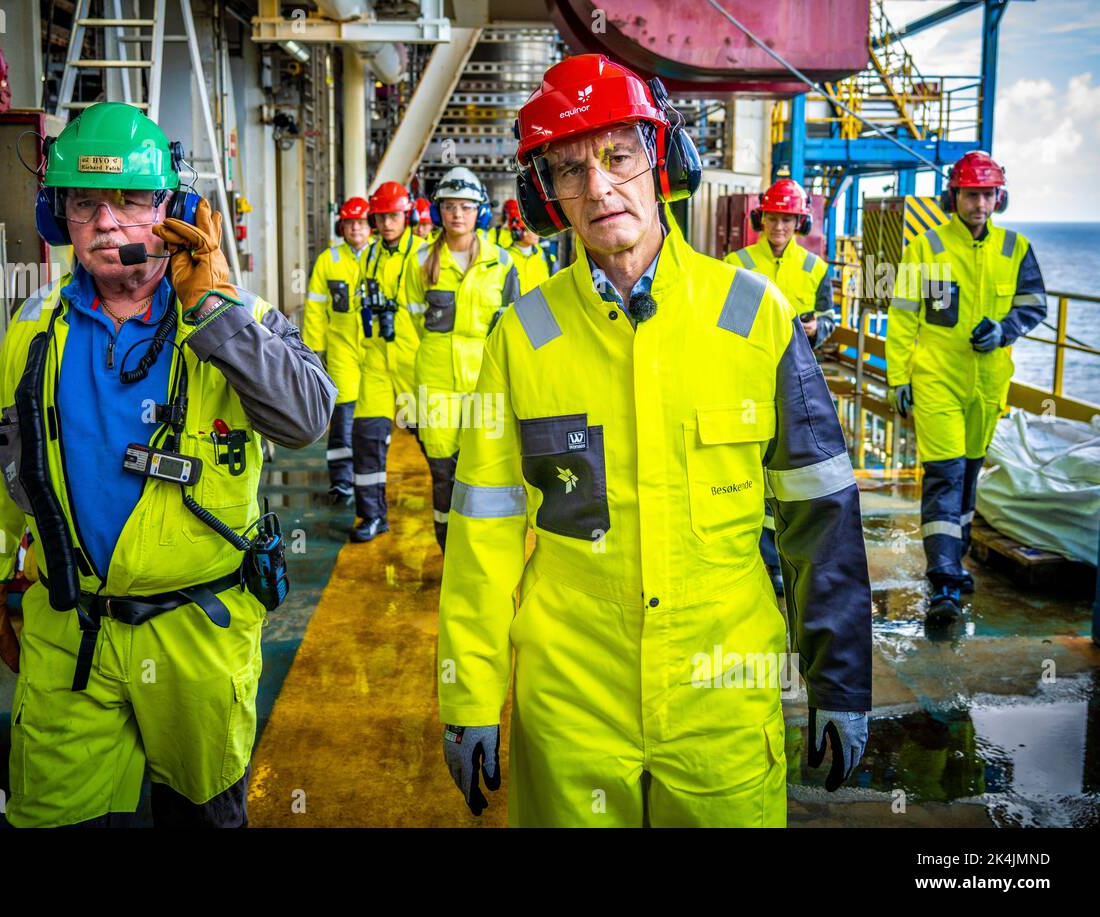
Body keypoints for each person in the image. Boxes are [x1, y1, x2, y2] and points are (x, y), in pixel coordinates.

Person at [437, 54, 872, 827]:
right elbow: (483, 531)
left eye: (618, 155)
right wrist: (468, 691)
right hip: (571, 708)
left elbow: (821, 513)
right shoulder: (521, 338)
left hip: (721, 707)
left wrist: (840, 680)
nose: (599, 188)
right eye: (569, 170)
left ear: (663, 157)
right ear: (548, 198)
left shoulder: (755, 315)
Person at [0, 102, 335, 827]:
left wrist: (213, 309)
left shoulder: (236, 314)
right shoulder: (34, 328)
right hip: (70, 633)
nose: (107, 222)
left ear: (174, 209)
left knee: (203, 818)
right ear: (59, 214)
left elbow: (306, 416)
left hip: (197, 638)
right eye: (85, 202)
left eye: (131, 200)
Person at [885, 150, 1046, 621]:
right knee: (945, 476)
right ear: (953, 197)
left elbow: (1033, 305)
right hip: (937, 380)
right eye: (971, 194)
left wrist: (1004, 329)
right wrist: (899, 378)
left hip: (989, 386)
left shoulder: (1016, 249)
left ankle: (956, 559)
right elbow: (903, 317)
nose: (979, 203)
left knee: (969, 478)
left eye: (988, 194)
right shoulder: (926, 249)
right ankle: (944, 583)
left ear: (1001, 198)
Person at [724, 178, 838, 594]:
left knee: (794, 468)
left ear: (799, 223)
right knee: (751, 467)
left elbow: (830, 316)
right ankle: (763, 559)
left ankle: (788, 554)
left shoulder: (816, 267)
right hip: (749, 382)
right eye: (773, 218)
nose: (779, 228)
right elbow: (725, 326)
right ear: (761, 219)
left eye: (787, 220)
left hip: (799, 385)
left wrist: (816, 327)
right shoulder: (735, 263)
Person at [405, 166, 520, 551]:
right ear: (438, 212)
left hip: (484, 383)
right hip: (435, 384)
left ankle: (481, 546)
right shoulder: (420, 260)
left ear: (480, 213)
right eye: (450, 206)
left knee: (485, 468)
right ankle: (448, 546)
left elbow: (509, 324)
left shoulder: (501, 263)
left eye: (466, 207)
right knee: (442, 470)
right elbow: (413, 320)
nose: (458, 214)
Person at [350, 181, 425, 542]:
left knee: (436, 447)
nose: (388, 223)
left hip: (416, 364)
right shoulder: (366, 256)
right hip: (377, 363)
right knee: (365, 438)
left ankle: (451, 515)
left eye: (394, 215)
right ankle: (371, 516)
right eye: (381, 217)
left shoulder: (425, 254)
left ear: (405, 215)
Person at [304, 196, 370, 502]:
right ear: (341, 227)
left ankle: (367, 476)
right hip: (341, 349)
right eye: (350, 223)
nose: (356, 228)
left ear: (370, 226)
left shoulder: (381, 257)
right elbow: (316, 308)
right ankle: (342, 480)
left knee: (371, 420)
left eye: (361, 222)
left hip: (376, 351)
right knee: (343, 417)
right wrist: (313, 352)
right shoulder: (328, 261)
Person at [492, 199, 556, 294]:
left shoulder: (544, 255)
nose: (537, 233)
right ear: (518, 232)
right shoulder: (505, 257)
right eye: (531, 229)